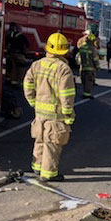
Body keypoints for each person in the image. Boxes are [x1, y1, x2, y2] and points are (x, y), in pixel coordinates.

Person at [24, 32, 76, 182]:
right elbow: (66, 95)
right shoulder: (63, 69)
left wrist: (33, 102)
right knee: (52, 145)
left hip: (39, 113)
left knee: (39, 140)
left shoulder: (37, 64)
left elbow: (27, 85)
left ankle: (37, 166)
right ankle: (49, 174)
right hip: (55, 115)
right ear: (64, 50)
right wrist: (68, 114)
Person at [76, 31, 99, 98]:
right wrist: (97, 66)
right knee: (89, 81)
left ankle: (85, 92)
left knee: (84, 80)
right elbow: (95, 59)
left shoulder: (82, 48)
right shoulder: (93, 49)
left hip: (83, 67)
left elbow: (79, 58)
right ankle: (87, 95)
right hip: (90, 68)